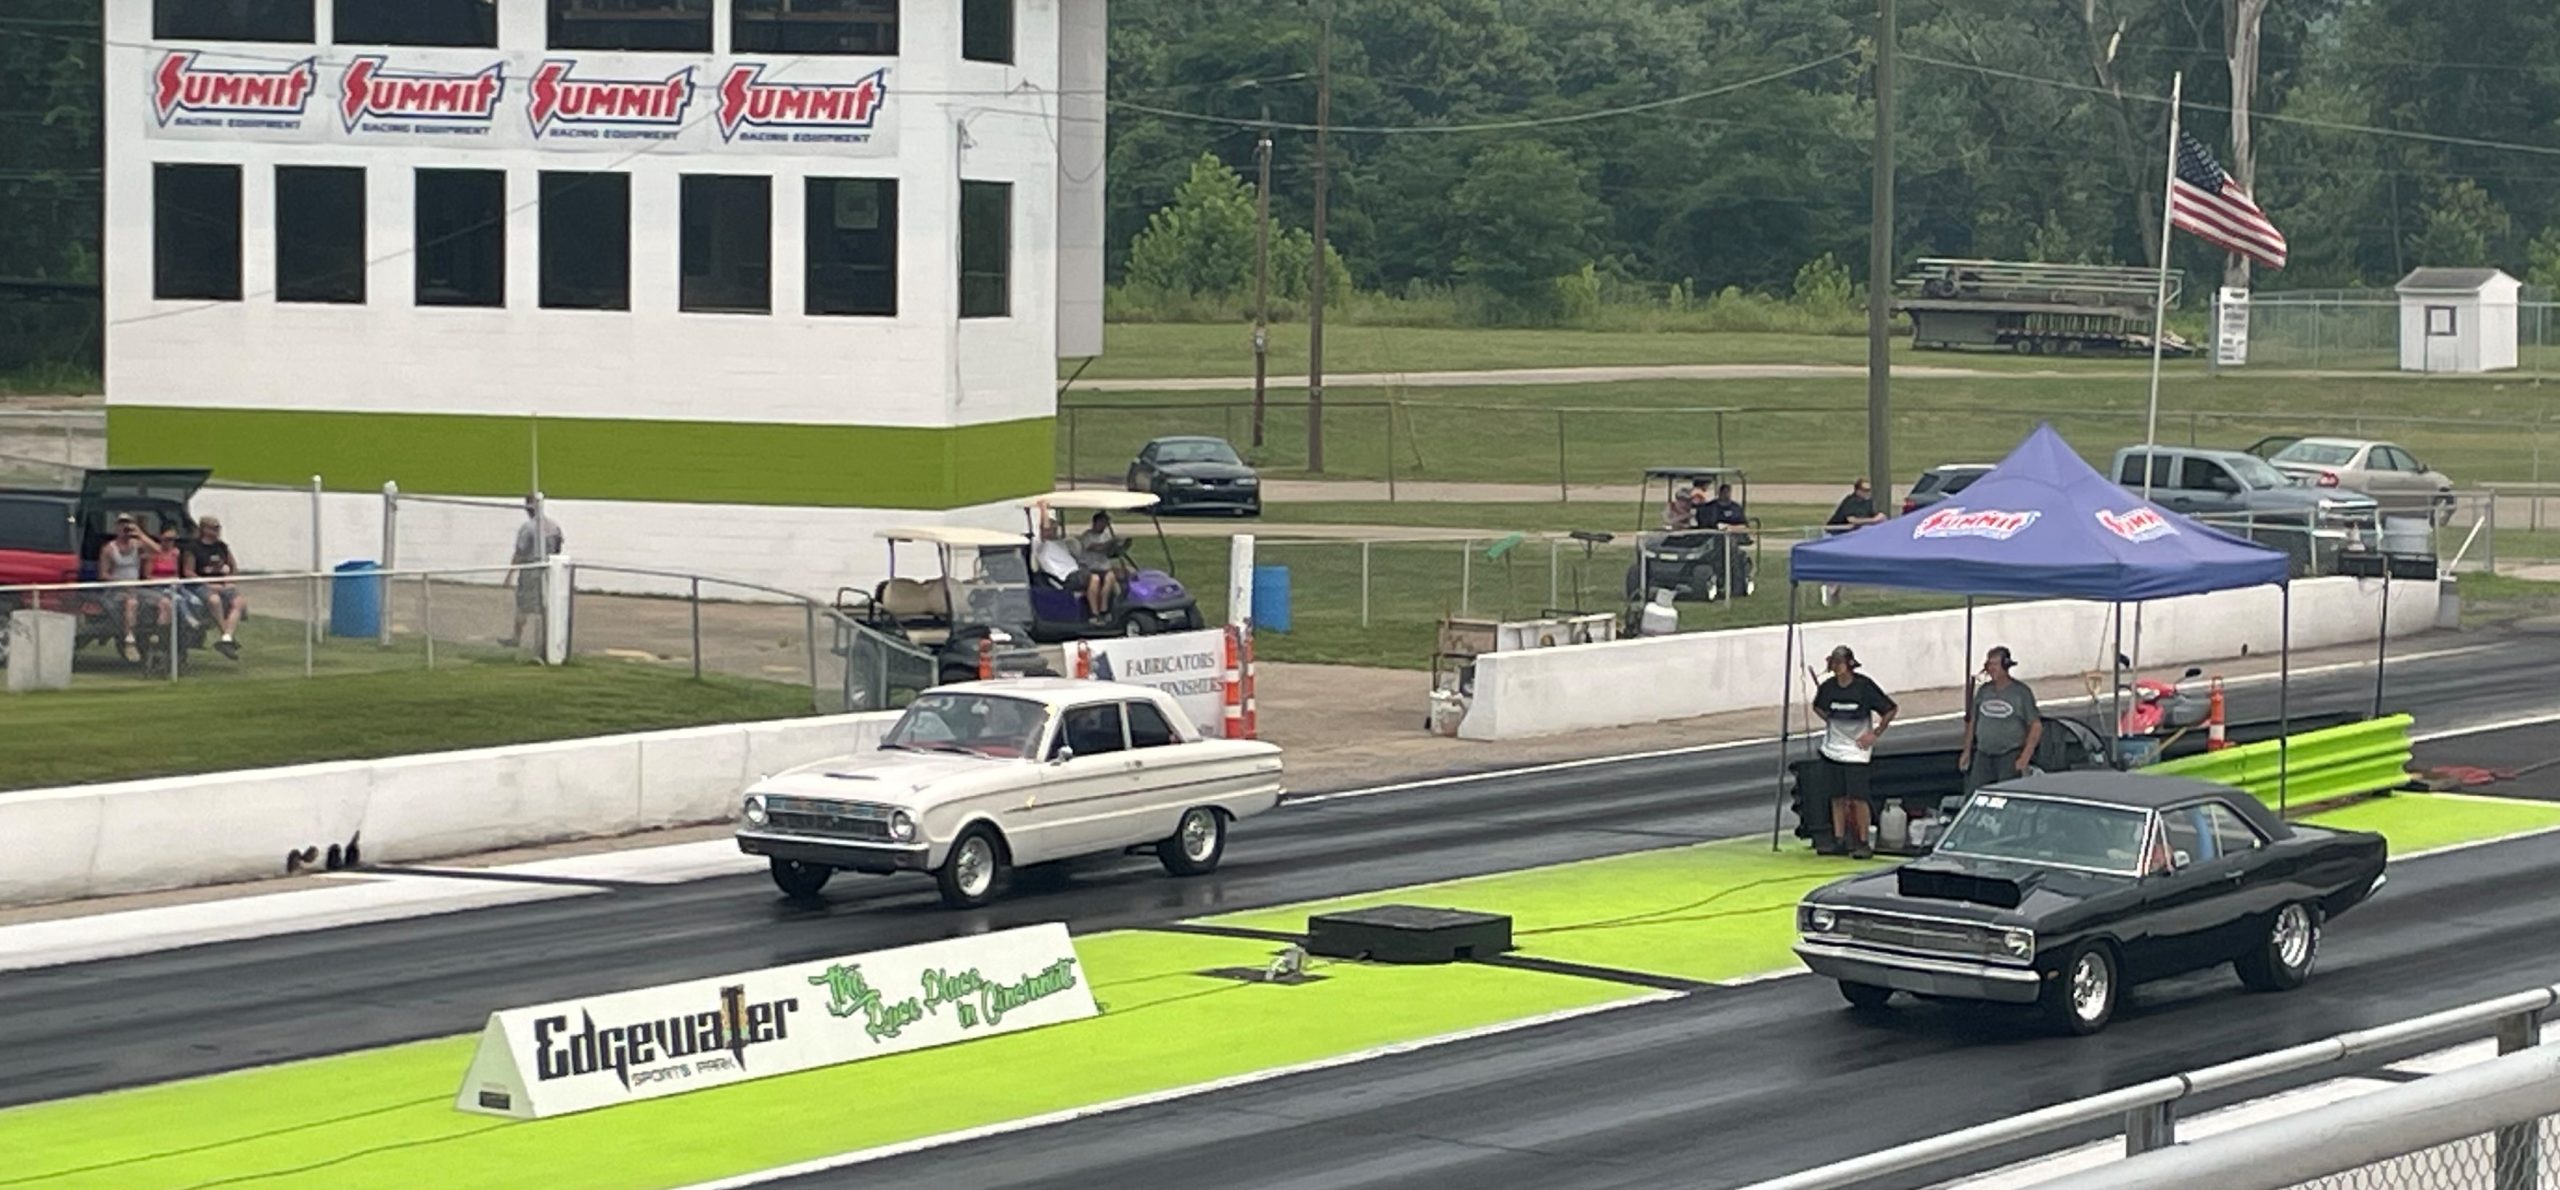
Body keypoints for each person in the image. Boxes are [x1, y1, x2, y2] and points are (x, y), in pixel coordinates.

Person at [1810, 644, 1898, 858]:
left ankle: (1863, 842)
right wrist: (1831, 721)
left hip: (1857, 751)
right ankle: (1839, 839)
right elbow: (1818, 706)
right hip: (1832, 749)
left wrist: (1875, 733)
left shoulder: (1864, 686)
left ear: (1849, 664)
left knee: (1859, 798)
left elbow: (1890, 709)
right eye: (1833, 663)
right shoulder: (1828, 687)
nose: (1836, 667)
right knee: (1836, 796)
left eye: (1839, 663)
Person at [1959, 646, 2044, 793]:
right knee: (1975, 793)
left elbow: (2035, 726)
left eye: (1995, 664)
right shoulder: (1984, 691)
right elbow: (1972, 721)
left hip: (2009, 755)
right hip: (1983, 754)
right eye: (1989, 664)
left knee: (2007, 792)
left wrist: (2025, 756)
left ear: (2005, 665)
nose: (1991, 668)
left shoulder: (2021, 693)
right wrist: (1967, 751)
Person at [97, 514, 164, 661]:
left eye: (128, 524)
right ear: (116, 527)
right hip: (117, 590)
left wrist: (140, 534)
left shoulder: (137, 545)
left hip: (136, 588)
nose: (125, 528)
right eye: (122, 524)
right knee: (131, 603)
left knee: (164, 602)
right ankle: (129, 640)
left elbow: (159, 551)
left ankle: (160, 637)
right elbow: (103, 574)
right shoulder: (109, 549)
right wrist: (120, 582)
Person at [502, 497, 564, 650]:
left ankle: (517, 638)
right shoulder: (554, 526)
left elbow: (520, 552)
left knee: (523, 605)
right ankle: (546, 640)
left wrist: (510, 574)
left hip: (530, 569)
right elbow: (558, 549)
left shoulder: (528, 527)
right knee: (545, 605)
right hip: (549, 570)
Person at [182, 516, 246, 659]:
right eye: (213, 528)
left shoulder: (222, 546)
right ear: (204, 529)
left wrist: (230, 580)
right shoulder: (193, 548)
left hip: (222, 584)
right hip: (201, 585)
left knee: (239, 603)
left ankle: (227, 638)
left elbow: (233, 565)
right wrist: (207, 584)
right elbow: (188, 572)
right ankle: (226, 637)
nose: (217, 531)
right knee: (214, 600)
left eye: (218, 528)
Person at [1820, 478, 1886, 604]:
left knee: (1846, 565)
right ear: (1857, 490)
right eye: (1865, 490)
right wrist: (1873, 521)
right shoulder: (1850, 501)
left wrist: (1878, 518)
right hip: (1835, 535)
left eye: (1869, 490)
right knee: (1837, 565)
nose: (1867, 493)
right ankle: (1829, 591)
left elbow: (1875, 516)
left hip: (1849, 537)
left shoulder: (1868, 503)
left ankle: (1835, 593)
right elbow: (1852, 520)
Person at [1073, 511, 1124, 620]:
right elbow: (1096, 548)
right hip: (1089, 568)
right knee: (1095, 579)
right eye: (1101, 522)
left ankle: (1104, 609)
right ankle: (1094, 613)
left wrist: (1117, 547)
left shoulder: (1106, 535)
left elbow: (1109, 552)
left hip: (1104, 568)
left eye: (1105, 523)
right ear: (1095, 523)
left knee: (1112, 577)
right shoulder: (1087, 536)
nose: (1103, 526)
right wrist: (1110, 543)